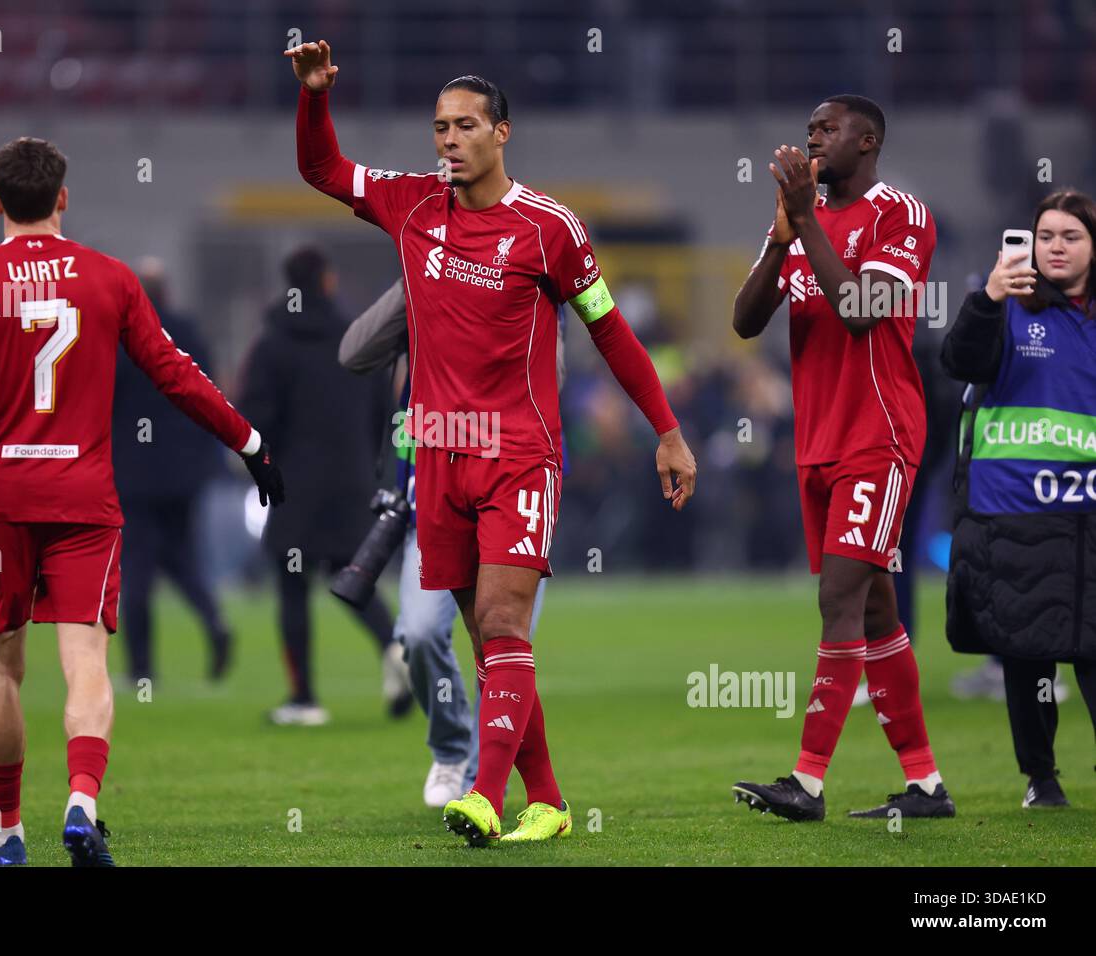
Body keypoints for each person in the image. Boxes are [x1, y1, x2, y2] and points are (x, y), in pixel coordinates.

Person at [287, 41, 696, 844]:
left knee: (505, 627)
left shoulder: (551, 229)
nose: (448, 139)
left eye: (465, 125)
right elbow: (322, 169)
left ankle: (483, 792)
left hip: (519, 456)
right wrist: (313, 99)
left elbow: (610, 332)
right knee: (488, 640)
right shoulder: (410, 204)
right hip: (437, 457)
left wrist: (668, 432)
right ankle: (547, 800)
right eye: (439, 127)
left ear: (502, 132)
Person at [0, 137, 284, 866]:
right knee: (88, 663)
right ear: (63, 198)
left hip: (0, 499)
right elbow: (176, 372)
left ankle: (5, 835)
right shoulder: (109, 279)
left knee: (0, 668)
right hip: (83, 498)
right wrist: (250, 442)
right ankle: (81, 803)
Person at [730, 95, 955, 821]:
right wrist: (780, 237)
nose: (813, 139)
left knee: (839, 600)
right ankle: (924, 785)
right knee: (879, 609)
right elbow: (743, 321)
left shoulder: (902, 215)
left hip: (878, 434)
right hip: (816, 441)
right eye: (808, 130)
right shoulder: (803, 223)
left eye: (828, 130)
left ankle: (808, 781)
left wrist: (808, 227)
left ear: (869, 141)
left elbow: (860, 308)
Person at [339, 278, 565, 806]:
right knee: (417, 634)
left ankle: (488, 785)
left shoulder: (523, 267)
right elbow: (354, 352)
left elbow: (550, 376)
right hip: (436, 491)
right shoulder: (429, 277)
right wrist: (416, 272)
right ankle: (451, 748)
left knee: (501, 643)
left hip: (512, 486)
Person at [942, 189, 1096, 808]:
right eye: (1046, 235)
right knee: (1028, 653)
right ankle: (1041, 779)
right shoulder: (1006, 306)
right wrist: (989, 298)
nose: (1055, 246)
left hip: (1088, 510)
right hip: (1016, 510)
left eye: (1071, 236)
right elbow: (959, 361)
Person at [239, 247, 413, 727]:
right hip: (352, 477)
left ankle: (304, 698)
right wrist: (372, 461)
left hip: (295, 482)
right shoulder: (355, 334)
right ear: (329, 281)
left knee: (292, 589)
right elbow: (385, 403)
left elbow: (255, 416)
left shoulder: (273, 342)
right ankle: (395, 648)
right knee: (354, 577)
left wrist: (262, 460)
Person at [112, 257, 234, 684]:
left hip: (135, 474)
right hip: (184, 472)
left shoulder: (122, 339)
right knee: (181, 559)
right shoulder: (190, 333)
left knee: (139, 569)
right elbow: (208, 393)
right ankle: (214, 619)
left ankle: (142, 669)